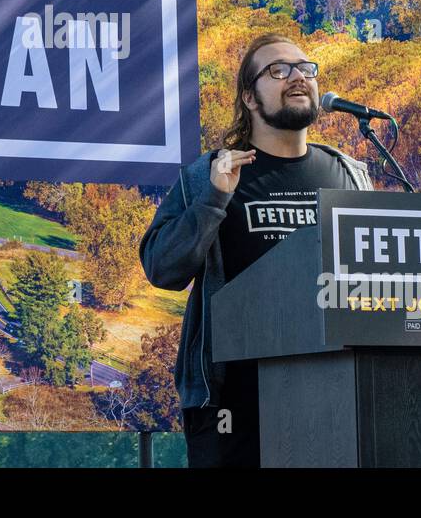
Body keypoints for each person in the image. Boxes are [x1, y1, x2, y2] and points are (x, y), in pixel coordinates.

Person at [139, 32, 374, 467]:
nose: (298, 77)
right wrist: (212, 202)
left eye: (305, 68)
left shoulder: (350, 176)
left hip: (335, 398)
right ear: (249, 97)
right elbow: (162, 268)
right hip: (235, 403)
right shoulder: (208, 176)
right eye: (278, 70)